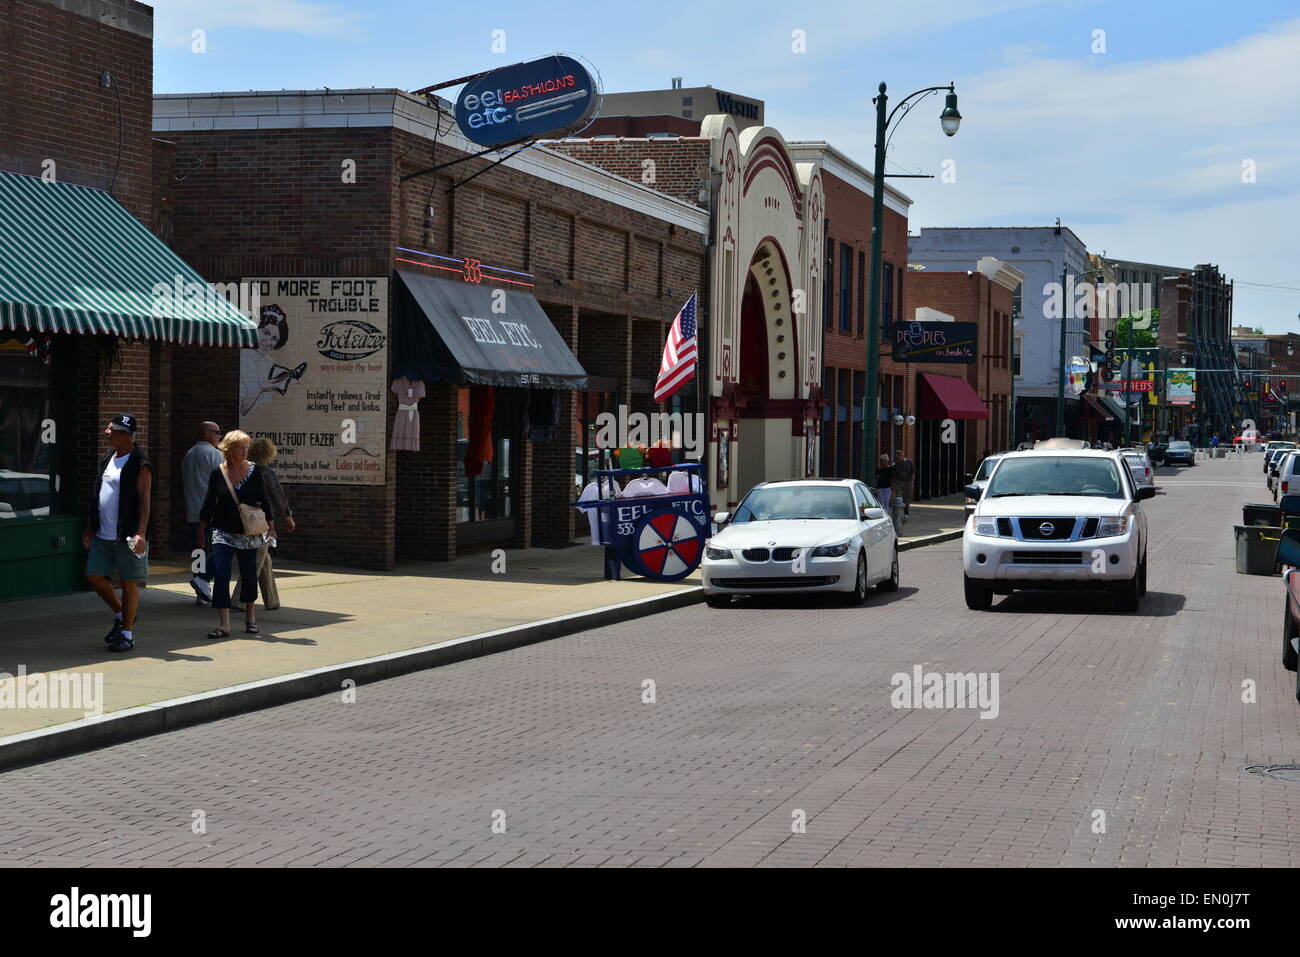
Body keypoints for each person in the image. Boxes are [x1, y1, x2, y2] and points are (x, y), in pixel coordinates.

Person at [198, 430, 277, 638]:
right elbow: (208, 504)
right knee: (222, 575)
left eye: (246, 447)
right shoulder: (218, 472)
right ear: (229, 450)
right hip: (222, 531)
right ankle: (224, 625)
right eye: (241, 447)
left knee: (250, 576)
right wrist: (201, 531)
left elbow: (265, 500)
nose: (245, 451)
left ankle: (250, 618)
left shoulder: (254, 471)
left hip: (248, 534)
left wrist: (271, 526)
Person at [83, 414, 151, 653]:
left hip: (128, 534)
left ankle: (127, 635)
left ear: (123, 433)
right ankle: (123, 615)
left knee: (128, 581)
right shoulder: (108, 457)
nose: (106, 432)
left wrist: (141, 533)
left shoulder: (139, 462)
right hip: (103, 533)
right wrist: (90, 527)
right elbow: (97, 494)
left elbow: (144, 500)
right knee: (94, 576)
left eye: (110, 429)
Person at [234, 437, 295, 612]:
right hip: (261, 521)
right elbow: (278, 497)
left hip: (244, 518)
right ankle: (238, 599)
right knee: (255, 560)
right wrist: (288, 516)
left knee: (264, 561)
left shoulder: (243, 471)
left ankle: (272, 600)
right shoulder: (266, 473)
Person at [181, 420, 223, 604]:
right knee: (218, 551)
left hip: (193, 511)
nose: (220, 436)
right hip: (211, 513)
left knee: (198, 552)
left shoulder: (189, 454)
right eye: (217, 432)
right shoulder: (215, 455)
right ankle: (203, 582)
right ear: (206, 433)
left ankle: (201, 591)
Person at [893, 449, 916, 526]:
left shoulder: (909, 462)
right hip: (899, 483)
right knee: (899, 498)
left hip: (907, 483)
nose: (898, 460)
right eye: (897, 458)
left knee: (906, 499)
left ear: (902, 456)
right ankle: (900, 514)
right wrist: (893, 485)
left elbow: (913, 472)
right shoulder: (896, 464)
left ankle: (906, 514)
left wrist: (912, 482)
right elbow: (894, 475)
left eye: (899, 458)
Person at [876, 453, 894, 518]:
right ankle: (882, 514)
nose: (881, 462)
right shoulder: (879, 469)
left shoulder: (890, 468)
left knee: (886, 501)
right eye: (880, 461)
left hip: (887, 487)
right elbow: (877, 476)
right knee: (881, 501)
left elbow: (892, 478)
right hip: (880, 487)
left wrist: (892, 486)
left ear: (886, 461)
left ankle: (885, 514)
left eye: (882, 461)